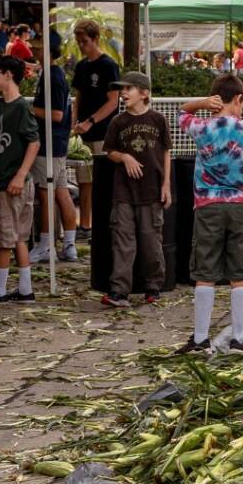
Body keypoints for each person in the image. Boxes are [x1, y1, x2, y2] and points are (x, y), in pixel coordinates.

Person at [176, 74, 243, 354]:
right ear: (238, 99)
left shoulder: (203, 128)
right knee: (240, 273)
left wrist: (202, 103)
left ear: (216, 100)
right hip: (242, 207)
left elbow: (182, 112)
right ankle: (239, 339)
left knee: (205, 272)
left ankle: (200, 338)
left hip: (207, 206)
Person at [101, 72, 172, 308]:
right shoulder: (118, 122)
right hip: (123, 192)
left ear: (144, 93)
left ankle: (153, 286)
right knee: (123, 240)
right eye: (122, 89)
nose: (123, 93)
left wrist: (166, 185)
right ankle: (119, 290)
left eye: (128, 88)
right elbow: (109, 151)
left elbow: (166, 153)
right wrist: (125, 157)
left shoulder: (158, 120)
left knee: (152, 240)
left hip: (151, 190)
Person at [0, 56, 40, 302]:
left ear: (8, 75)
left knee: (5, 237)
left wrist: (19, 175)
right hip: (6, 179)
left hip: (12, 181)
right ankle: (25, 289)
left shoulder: (20, 107)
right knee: (17, 237)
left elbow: (34, 142)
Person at [70, 19, 120, 241]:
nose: (82, 46)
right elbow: (78, 97)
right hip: (83, 132)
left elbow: (113, 101)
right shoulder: (81, 66)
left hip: (103, 131)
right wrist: (75, 123)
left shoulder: (108, 65)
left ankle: (103, 225)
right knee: (83, 181)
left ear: (96, 39)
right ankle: (85, 225)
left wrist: (91, 120)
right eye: (79, 42)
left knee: (101, 181)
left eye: (85, 41)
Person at [28, 61, 78, 264]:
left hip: (50, 144)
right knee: (60, 191)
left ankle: (46, 245)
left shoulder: (53, 77)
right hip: (57, 143)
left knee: (46, 193)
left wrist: (30, 109)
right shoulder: (55, 75)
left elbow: (57, 114)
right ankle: (69, 245)